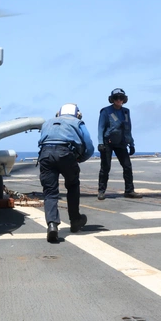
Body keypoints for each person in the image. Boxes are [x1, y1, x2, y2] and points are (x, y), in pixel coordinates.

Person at [37, 103, 95, 244]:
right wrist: (80, 159)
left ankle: (52, 225)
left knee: (50, 192)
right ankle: (75, 220)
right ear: (77, 114)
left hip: (45, 155)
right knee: (73, 185)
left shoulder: (47, 123)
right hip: (66, 154)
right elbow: (89, 146)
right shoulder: (77, 122)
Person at [96, 87, 142, 200]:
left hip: (122, 143)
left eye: (121, 98)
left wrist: (132, 144)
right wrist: (100, 143)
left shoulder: (126, 112)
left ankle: (129, 190)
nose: (118, 100)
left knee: (127, 167)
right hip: (108, 143)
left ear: (124, 99)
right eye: (116, 98)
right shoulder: (105, 111)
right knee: (105, 168)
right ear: (112, 99)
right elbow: (100, 128)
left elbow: (128, 129)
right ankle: (101, 191)